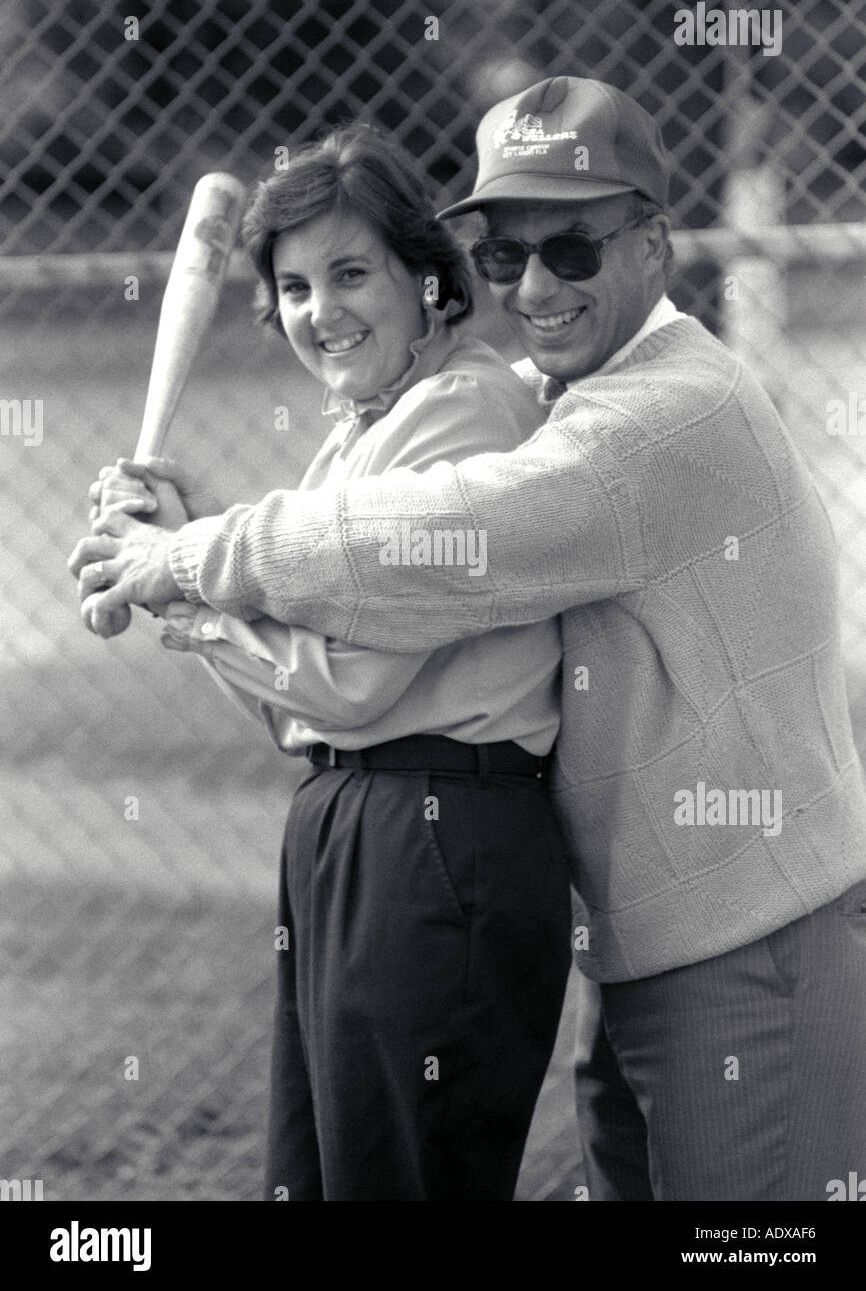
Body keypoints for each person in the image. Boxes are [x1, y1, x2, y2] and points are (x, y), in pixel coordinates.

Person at [70, 77, 866, 1202]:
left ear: (650, 243)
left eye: (572, 249)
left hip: (750, 943)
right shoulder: (556, 395)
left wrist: (184, 559)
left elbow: (438, 535)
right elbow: (374, 528)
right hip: (642, 938)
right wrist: (190, 540)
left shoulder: (656, 419)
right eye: (503, 255)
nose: (533, 284)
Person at [75, 124, 572, 1202]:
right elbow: (293, 707)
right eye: (294, 286)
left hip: (442, 836)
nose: (319, 310)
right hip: (355, 826)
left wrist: (180, 574)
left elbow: (350, 680)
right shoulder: (360, 430)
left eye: (349, 272)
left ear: (424, 278)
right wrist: (180, 549)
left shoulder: (465, 412)